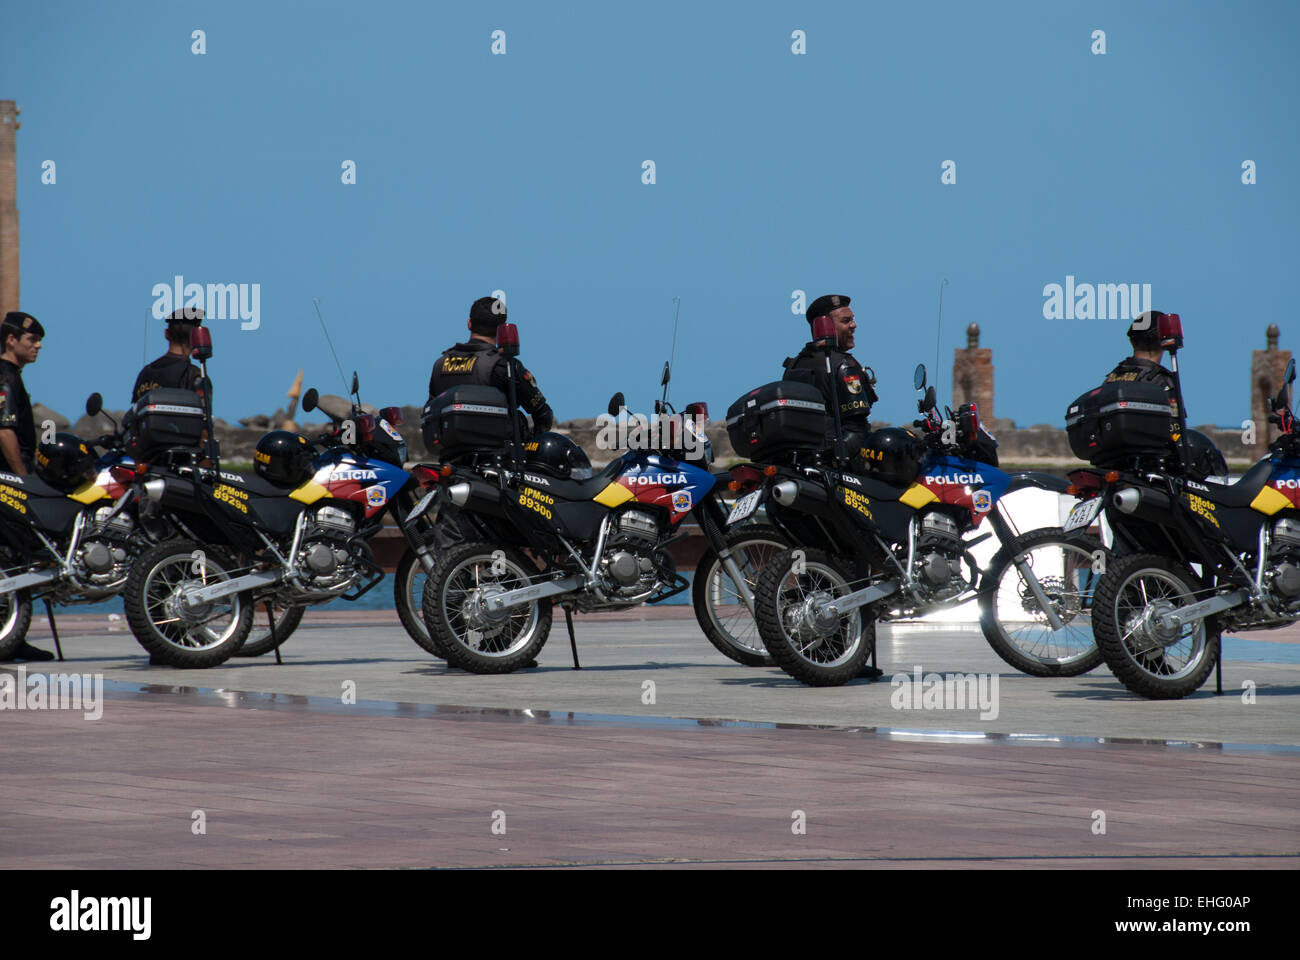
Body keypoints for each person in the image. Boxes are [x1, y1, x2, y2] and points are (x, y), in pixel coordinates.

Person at [0, 311, 54, 662]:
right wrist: (23, 479)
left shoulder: (12, 376)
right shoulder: (4, 376)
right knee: (15, 559)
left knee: (18, 561)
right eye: (32, 340)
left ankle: (14, 637)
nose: (37, 346)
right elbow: (4, 430)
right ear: (11, 340)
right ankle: (11, 638)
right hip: (8, 480)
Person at [428, 297, 553, 433]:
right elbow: (543, 414)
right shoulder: (504, 365)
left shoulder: (440, 364)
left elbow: (430, 411)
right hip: (500, 451)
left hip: (449, 451)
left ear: (469, 324)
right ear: (502, 329)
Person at [782, 294, 877, 435]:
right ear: (825, 326)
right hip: (837, 454)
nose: (854, 325)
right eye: (846, 321)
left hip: (802, 454)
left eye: (853, 320)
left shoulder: (794, 365)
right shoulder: (843, 366)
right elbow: (857, 430)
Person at [132, 307, 206, 404]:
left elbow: (134, 413)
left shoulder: (145, 373)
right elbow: (203, 415)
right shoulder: (195, 377)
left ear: (166, 334)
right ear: (197, 337)